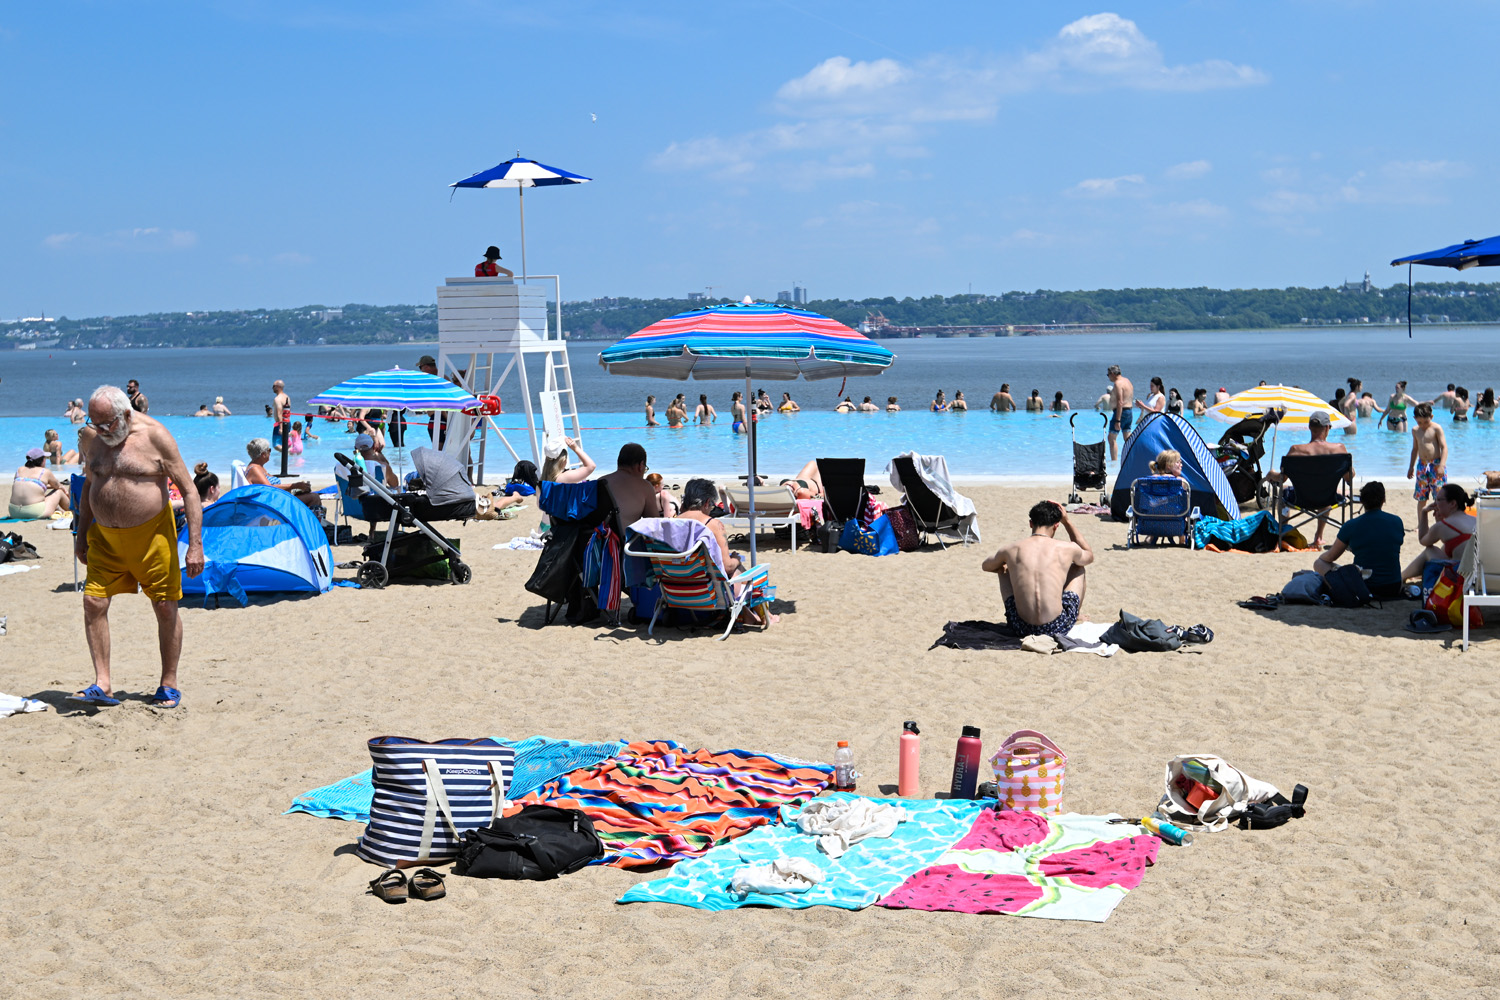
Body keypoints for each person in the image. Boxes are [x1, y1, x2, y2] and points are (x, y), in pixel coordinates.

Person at [71, 385, 204, 709]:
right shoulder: (92, 438)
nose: (101, 431)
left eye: (108, 425)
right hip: (105, 538)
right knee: (93, 603)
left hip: (152, 537)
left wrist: (195, 545)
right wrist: (82, 532)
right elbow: (90, 483)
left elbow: (189, 491)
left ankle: (168, 684)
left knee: (164, 605)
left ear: (126, 414)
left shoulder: (156, 436)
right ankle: (103, 684)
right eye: (95, 423)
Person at [981, 500, 1092, 638]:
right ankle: (1075, 615)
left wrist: (1010, 566)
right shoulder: (1067, 548)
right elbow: (1089, 555)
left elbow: (986, 566)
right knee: (1078, 567)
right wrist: (1067, 522)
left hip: (1020, 627)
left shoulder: (1011, 549)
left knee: (1002, 568)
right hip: (1057, 626)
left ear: (1030, 524)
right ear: (1056, 526)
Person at [1268, 410, 1352, 548]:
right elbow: (1349, 477)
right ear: (1327, 428)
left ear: (1309, 428)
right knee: (1325, 490)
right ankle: (1318, 537)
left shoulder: (1295, 450)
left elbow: (1282, 478)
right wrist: (1350, 469)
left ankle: (1283, 532)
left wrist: (1271, 474)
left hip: (1300, 499)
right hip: (1328, 498)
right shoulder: (1339, 449)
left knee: (1283, 492)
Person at [1314, 481, 1404, 601]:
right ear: (1383, 500)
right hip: (1393, 586)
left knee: (1319, 563)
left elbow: (1331, 557)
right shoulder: (1397, 521)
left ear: (1362, 501)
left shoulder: (1351, 526)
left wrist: (1322, 558)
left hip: (1365, 587)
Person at [1401, 483, 1475, 584]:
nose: (1435, 503)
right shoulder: (1474, 520)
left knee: (1430, 550)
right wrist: (1439, 521)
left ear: (1453, 503)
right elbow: (1451, 544)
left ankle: (1402, 577)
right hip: (1476, 574)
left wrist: (1423, 513)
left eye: (1439, 500)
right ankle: (1414, 574)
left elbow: (1423, 540)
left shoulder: (1444, 525)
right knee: (1445, 547)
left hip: (1458, 577)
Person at [676, 478, 742, 577]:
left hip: (673, 586)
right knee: (740, 570)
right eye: (712, 505)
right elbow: (727, 567)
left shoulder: (670, 524)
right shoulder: (714, 525)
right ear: (707, 502)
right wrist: (737, 559)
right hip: (707, 588)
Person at [243, 438, 327, 511]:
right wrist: (293, 486)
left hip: (276, 499)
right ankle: (311, 526)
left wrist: (296, 488)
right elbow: (269, 488)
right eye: (269, 450)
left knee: (310, 496)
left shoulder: (259, 467)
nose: (270, 452)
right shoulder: (255, 469)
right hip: (273, 504)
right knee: (314, 497)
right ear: (263, 454)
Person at [600, 442, 660, 527]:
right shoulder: (644, 486)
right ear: (641, 465)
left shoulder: (601, 481)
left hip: (598, 538)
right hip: (625, 539)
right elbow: (654, 524)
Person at [1407, 402, 1448, 523]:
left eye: (1426, 422)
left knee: (1439, 496)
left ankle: (1440, 522)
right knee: (1421, 497)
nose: (1423, 425)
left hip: (1436, 465)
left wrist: (1441, 465)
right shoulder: (1415, 430)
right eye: (1420, 422)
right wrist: (1411, 467)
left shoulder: (1436, 428)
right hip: (1422, 465)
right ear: (1414, 419)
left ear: (1432, 417)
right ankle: (1421, 524)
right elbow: (1415, 449)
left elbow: (1444, 447)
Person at [9, 448, 70, 519]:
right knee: (59, 492)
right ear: (43, 460)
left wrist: (48, 486)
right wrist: (63, 489)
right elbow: (57, 486)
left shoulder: (19, 470)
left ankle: (59, 510)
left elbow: (31, 484)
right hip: (34, 512)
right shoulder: (44, 472)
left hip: (14, 512)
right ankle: (74, 511)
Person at [1106, 365, 1135, 461]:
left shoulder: (1118, 384)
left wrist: (1117, 420)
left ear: (1113, 374)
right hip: (1129, 411)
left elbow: (1120, 402)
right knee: (1127, 438)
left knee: (1111, 438)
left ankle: (1114, 462)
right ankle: (1131, 459)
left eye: (1108, 375)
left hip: (1121, 412)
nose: (1108, 377)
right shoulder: (1127, 381)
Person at [271, 380, 291, 447]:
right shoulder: (287, 397)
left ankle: (289, 453)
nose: (272, 388)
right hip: (287, 422)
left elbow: (279, 414)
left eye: (273, 386)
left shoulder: (277, 399)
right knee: (284, 443)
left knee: (276, 445)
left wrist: (281, 427)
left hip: (280, 423)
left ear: (278, 387)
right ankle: (291, 454)